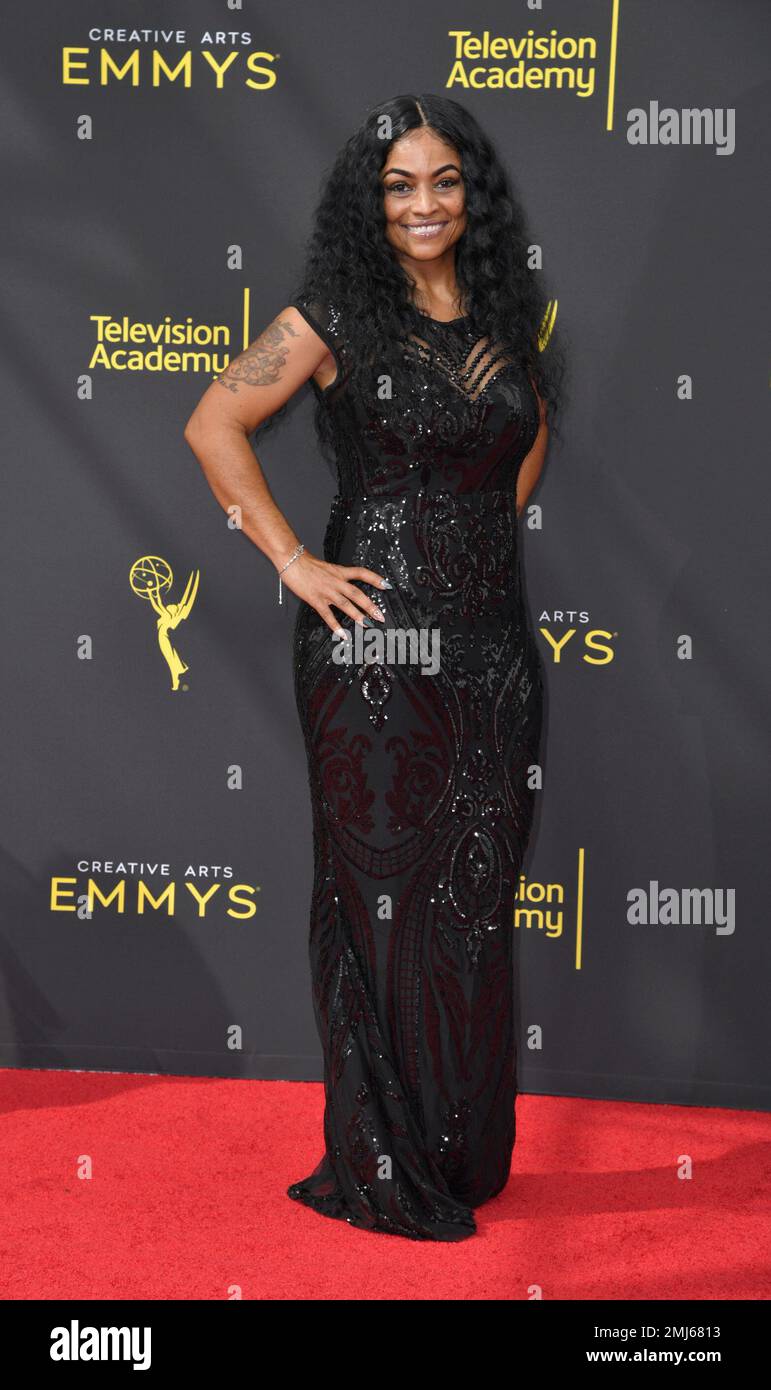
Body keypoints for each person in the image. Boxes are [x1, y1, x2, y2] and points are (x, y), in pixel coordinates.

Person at [184, 92, 566, 1241]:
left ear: (473, 193)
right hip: (377, 656)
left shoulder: (504, 313)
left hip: (491, 652)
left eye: (444, 180)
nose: (423, 204)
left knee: (470, 908)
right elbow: (213, 421)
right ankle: (385, 1157)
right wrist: (298, 560)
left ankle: (459, 1147)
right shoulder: (332, 314)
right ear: (371, 199)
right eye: (400, 185)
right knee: (384, 905)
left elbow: (524, 437)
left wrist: (474, 548)